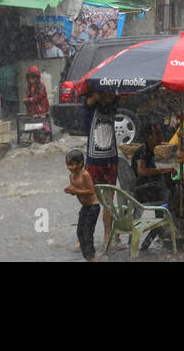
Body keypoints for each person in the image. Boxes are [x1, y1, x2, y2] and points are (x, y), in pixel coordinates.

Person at [84, 91, 120, 250]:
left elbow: (121, 97)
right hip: (93, 161)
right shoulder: (89, 107)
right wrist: (98, 95)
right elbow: (89, 101)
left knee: (109, 202)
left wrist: (111, 95)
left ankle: (107, 237)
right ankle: (84, 238)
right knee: (89, 202)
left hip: (111, 161)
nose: (110, 96)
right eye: (107, 93)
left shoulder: (113, 105)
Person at [64, 149, 99, 262]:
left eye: (72, 164)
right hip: (85, 207)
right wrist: (70, 191)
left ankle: (92, 258)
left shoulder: (85, 174)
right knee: (80, 232)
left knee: (87, 234)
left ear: (80, 163)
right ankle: (89, 256)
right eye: (68, 165)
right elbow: (76, 191)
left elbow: (91, 191)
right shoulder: (71, 176)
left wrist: (76, 190)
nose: (70, 167)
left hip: (93, 207)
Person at [23, 65, 51, 142]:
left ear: (37, 77)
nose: (32, 79)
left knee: (42, 123)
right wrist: (27, 101)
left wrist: (29, 100)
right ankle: (37, 138)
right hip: (33, 109)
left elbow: (39, 97)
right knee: (34, 125)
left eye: (33, 77)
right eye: (30, 77)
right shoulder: (29, 86)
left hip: (41, 108)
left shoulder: (41, 86)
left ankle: (44, 135)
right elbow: (29, 97)